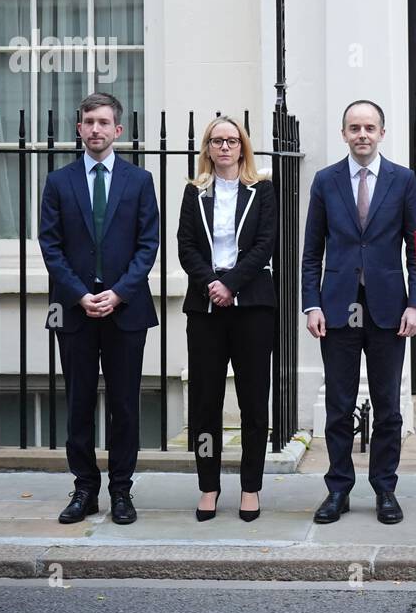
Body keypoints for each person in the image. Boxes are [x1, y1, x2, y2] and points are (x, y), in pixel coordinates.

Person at [302, 100, 416, 525]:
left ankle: (385, 489)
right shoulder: (325, 181)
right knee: (338, 405)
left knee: (388, 406)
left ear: (382, 133)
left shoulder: (403, 180)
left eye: (369, 127)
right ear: (344, 134)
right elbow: (311, 252)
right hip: (336, 308)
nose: (362, 135)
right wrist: (311, 303)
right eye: (354, 128)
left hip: (390, 310)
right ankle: (338, 488)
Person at [39, 92, 159, 526]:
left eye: (104, 122)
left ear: (118, 130)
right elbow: (50, 246)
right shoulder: (58, 182)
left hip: (126, 311)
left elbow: (149, 245)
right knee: (79, 404)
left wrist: (120, 292)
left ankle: (122, 492)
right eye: (88, 121)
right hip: (75, 311)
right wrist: (78, 294)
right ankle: (85, 490)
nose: (95, 129)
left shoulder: (140, 181)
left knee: (125, 405)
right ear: (79, 128)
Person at [177, 116, 277, 523]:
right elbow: (185, 246)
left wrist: (231, 284)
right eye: (216, 141)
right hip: (205, 308)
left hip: (252, 305)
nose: (224, 147)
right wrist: (211, 285)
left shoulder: (262, 191)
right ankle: (209, 486)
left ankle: (250, 486)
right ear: (207, 148)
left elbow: (265, 244)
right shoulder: (193, 192)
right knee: (205, 403)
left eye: (231, 141)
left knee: (254, 402)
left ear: (243, 147)